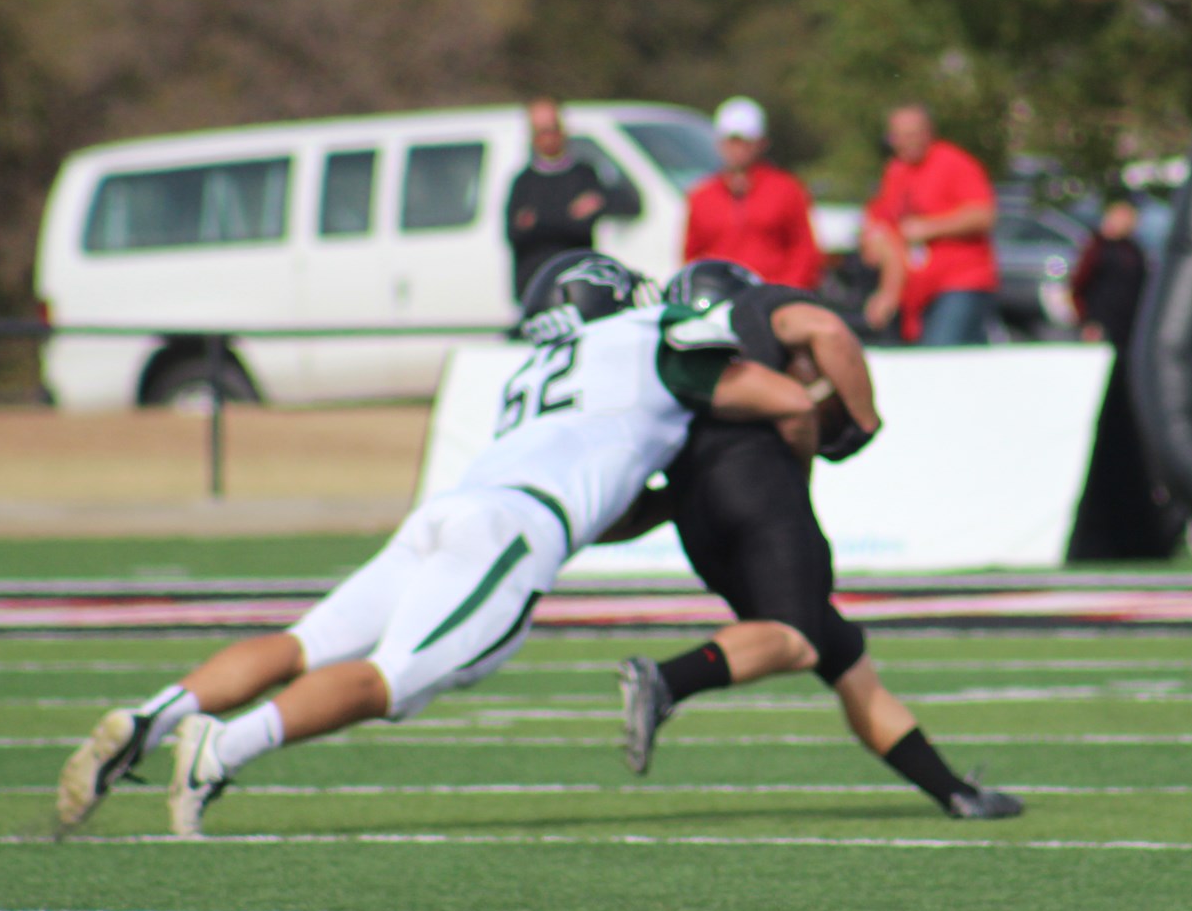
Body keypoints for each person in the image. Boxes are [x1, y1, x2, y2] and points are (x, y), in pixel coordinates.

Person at [56, 250, 814, 837]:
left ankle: (153, 716)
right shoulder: (658, 335)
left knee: (302, 641)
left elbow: (605, 501)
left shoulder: (539, 368)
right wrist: (797, 460)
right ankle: (222, 749)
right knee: (397, 680)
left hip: (448, 511)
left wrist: (661, 499)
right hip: (514, 529)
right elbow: (784, 399)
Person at [615, 258, 1024, 820]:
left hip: (693, 512)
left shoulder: (659, 354)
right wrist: (861, 418)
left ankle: (953, 792)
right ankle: (665, 680)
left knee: (844, 659)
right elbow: (826, 331)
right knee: (796, 638)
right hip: (757, 487)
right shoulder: (755, 308)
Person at [1065, 199, 1172, 561]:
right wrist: (1087, 323)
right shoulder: (1097, 249)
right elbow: (1076, 288)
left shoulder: (1136, 252)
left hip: (1130, 340)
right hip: (1104, 337)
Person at [861, 104, 1000, 346]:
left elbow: (983, 215)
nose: (905, 142)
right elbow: (882, 224)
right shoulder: (896, 172)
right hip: (916, 292)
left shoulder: (954, 163)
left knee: (939, 353)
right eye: (898, 136)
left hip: (960, 282)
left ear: (928, 133)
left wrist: (930, 227)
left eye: (912, 135)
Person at [681, 96, 825, 290]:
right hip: (720, 299)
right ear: (720, 143)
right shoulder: (701, 196)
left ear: (761, 143)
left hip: (773, 298)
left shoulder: (786, 190)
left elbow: (804, 251)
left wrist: (786, 291)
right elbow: (693, 257)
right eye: (733, 141)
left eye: (746, 142)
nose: (738, 149)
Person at [504, 98, 608, 300]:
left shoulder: (584, 175)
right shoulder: (523, 182)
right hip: (535, 287)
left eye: (553, 129)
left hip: (579, 286)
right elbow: (515, 235)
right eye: (541, 132)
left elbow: (584, 228)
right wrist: (567, 216)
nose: (548, 138)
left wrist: (538, 221)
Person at [1070, 199, 1149, 348]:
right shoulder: (1097, 248)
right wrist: (1087, 321)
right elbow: (1078, 285)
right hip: (1101, 322)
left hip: (1129, 322)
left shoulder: (1132, 249)